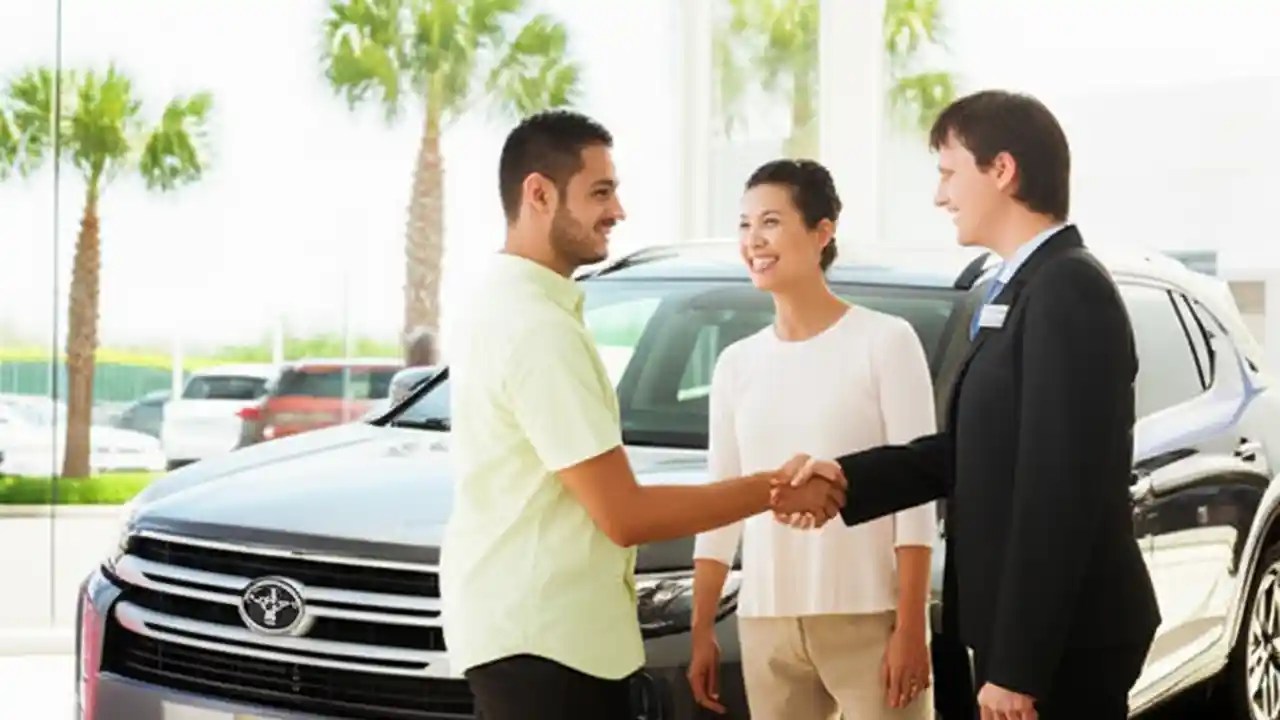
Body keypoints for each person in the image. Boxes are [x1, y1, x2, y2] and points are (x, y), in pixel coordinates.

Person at [439, 109, 845, 720]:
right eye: (601, 191)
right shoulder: (536, 328)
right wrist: (773, 488)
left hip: (534, 638)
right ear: (539, 194)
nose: (618, 210)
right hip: (549, 650)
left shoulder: (507, 303)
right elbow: (623, 514)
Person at [783, 90, 1161, 719]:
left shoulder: (1067, 288)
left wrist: (1018, 667)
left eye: (949, 172)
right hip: (1031, 638)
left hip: (1062, 646)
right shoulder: (1016, 285)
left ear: (1003, 171)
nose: (940, 195)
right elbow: (974, 451)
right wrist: (848, 479)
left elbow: (1056, 492)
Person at [686, 159, 937, 720]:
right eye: (745, 224)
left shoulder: (885, 342)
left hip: (870, 614)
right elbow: (721, 501)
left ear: (823, 233)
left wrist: (911, 627)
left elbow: (915, 501)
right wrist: (703, 627)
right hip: (766, 619)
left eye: (771, 222)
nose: (754, 241)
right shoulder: (735, 364)